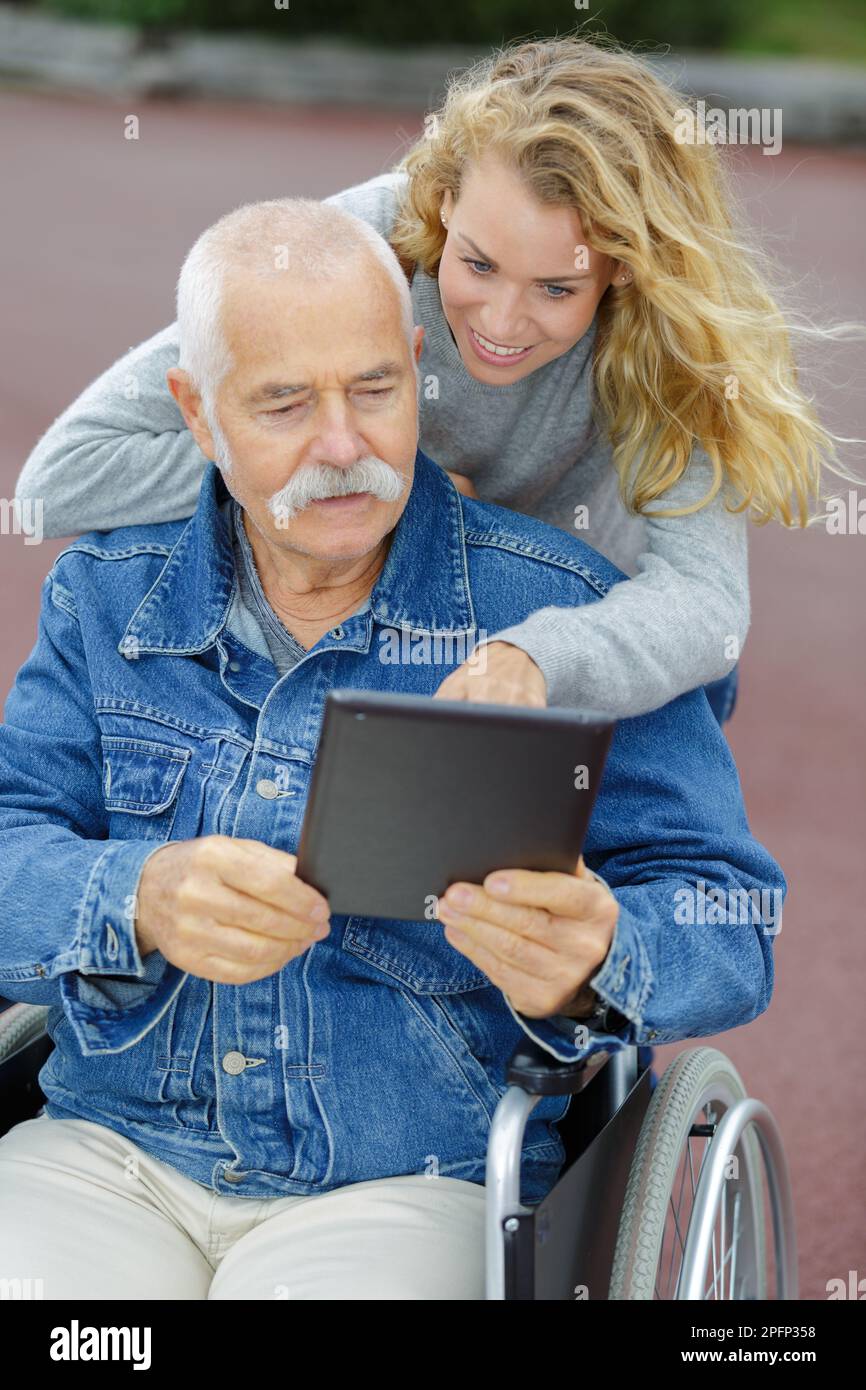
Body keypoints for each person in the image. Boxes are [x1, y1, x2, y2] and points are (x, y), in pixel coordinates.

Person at [0, 196, 785, 1300]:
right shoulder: (105, 599)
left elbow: (730, 918)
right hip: (109, 1156)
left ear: (415, 365)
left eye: (373, 390)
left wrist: (599, 955)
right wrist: (135, 892)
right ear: (194, 411)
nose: (341, 447)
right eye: (280, 403)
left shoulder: (558, 618)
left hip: (413, 1180)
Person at [13, 36, 850, 732]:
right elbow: (59, 481)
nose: (502, 321)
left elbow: (707, 606)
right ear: (443, 202)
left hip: (593, 638)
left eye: (557, 289)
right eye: (478, 263)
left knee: (659, 858)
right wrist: (370, 475)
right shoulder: (356, 252)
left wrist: (538, 661)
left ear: (623, 272)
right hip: (406, 616)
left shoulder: (671, 340)